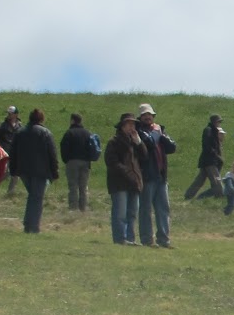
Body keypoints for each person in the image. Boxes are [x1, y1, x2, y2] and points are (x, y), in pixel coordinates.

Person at [9, 109, 59, 233]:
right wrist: (55, 171)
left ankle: (28, 224)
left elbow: (13, 152)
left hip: (24, 171)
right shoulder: (45, 133)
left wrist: (13, 169)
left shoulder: (20, 133)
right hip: (40, 171)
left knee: (33, 196)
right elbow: (52, 153)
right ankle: (33, 227)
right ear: (41, 119)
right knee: (37, 198)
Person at [136, 104, 177, 248]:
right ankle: (147, 240)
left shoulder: (158, 131)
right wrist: (157, 132)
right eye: (145, 115)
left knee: (163, 209)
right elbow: (150, 143)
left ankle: (164, 239)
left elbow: (172, 147)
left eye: (150, 115)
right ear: (140, 117)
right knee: (146, 209)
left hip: (161, 176)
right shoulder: (139, 131)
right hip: (147, 176)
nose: (148, 117)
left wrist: (161, 134)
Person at [103, 113, 147, 246]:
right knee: (120, 213)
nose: (131, 127)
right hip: (119, 183)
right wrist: (127, 173)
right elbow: (111, 162)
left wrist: (139, 142)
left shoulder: (135, 142)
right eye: (128, 124)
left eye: (133, 124)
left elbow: (145, 157)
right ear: (122, 126)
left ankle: (131, 238)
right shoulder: (114, 141)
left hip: (134, 183)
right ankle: (120, 239)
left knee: (132, 213)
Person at [59, 113, 96, 213]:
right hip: (86, 163)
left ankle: (73, 208)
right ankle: (83, 208)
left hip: (72, 162)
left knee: (73, 186)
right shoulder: (87, 133)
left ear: (72, 120)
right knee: (83, 187)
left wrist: (66, 160)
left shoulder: (69, 133)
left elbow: (63, 148)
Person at [184, 114, 224, 200]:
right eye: (219, 121)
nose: (220, 123)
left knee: (200, 180)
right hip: (210, 160)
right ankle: (220, 197)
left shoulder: (212, 130)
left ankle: (188, 195)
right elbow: (207, 145)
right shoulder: (208, 130)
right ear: (214, 122)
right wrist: (215, 155)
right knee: (216, 180)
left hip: (207, 160)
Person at [0, 106, 20, 196]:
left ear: (16, 114)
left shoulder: (20, 126)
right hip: (5, 152)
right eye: (8, 113)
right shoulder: (3, 126)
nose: (9, 115)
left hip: (15, 153)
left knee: (15, 174)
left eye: (11, 113)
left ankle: (10, 193)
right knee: (5, 172)